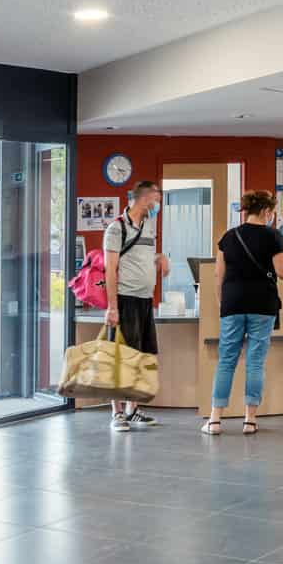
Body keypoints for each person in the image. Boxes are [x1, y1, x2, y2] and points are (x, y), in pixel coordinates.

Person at [204, 189, 283, 435]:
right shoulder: (273, 236)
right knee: (255, 362)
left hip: (232, 305)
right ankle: (250, 420)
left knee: (226, 361)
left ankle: (214, 420)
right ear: (266, 211)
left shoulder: (228, 237)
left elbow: (218, 275)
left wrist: (224, 303)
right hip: (262, 305)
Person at [102, 180, 170, 432]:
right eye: (157, 200)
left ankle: (133, 409)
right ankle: (117, 413)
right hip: (125, 300)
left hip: (144, 300)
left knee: (142, 357)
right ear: (144, 199)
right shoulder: (116, 229)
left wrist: (159, 258)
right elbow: (110, 269)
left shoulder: (148, 225)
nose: (158, 205)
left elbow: (141, 256)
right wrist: (112, 307)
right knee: (120, 358)